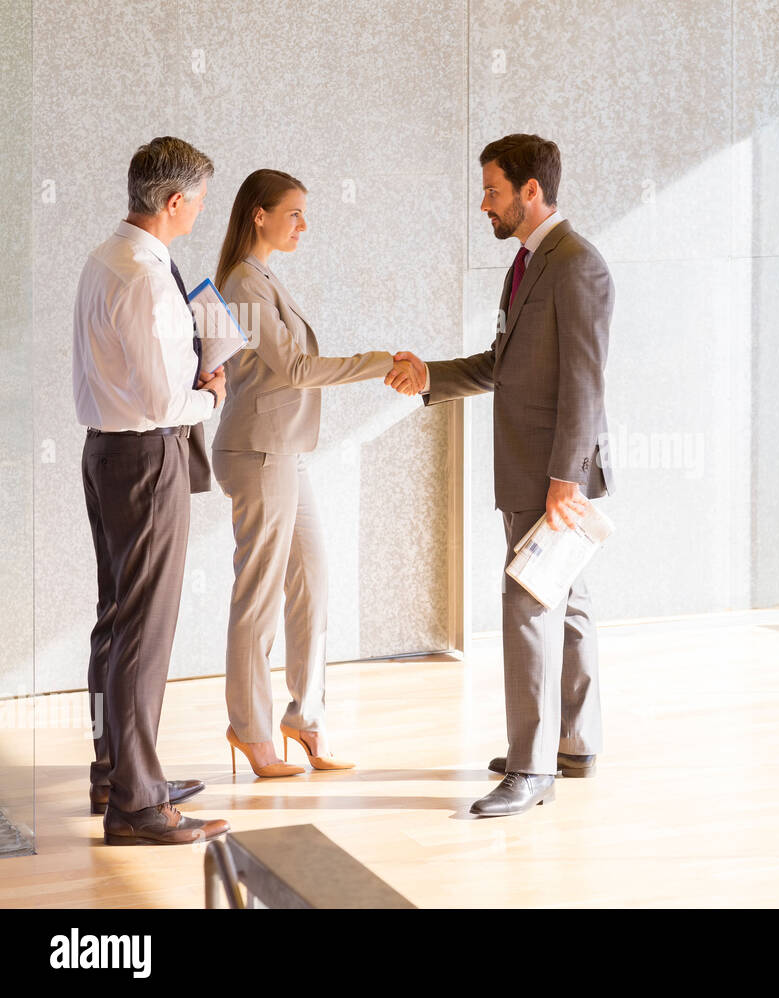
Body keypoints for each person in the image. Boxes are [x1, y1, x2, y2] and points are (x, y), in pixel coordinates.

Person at [388, 134, 613, 817]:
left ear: (531, 192)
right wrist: (431, 376)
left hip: (552, 475)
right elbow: (500, 364)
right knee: (563, 604)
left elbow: (585, 382)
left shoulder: (577, 267)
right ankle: (572, 743)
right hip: (535, 469)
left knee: (528, 608)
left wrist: (565, 478)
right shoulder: (527, 265)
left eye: (492, 191)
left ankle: (531, 769)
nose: (483, 204)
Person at [213, 169, 410, 777]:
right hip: (257, 453)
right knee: (259, 594)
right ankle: (249, 730)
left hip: (281, 452)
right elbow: (294, 368)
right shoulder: (245, 281)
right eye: (294, 213)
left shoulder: (264, 278)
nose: (304, 224)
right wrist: (380, 363)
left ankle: (305, 716)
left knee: (312, 580)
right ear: (259, 215)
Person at [74, 136, 231, 845]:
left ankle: (118, 771)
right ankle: (137, 804)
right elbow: (167, 399)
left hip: (107, 453)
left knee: (116, 619)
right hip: (145, 458)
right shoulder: (143, 274)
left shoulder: (106, 257)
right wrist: (212, 394)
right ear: (174, 202)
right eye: (198, 202)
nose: (200, 213)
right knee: (145, 629)